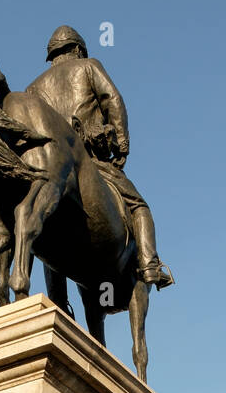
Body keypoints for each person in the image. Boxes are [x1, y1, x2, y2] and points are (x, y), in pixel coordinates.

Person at [27, 25, 174, 290]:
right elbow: (113, 101)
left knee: (43, 224)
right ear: (78, 49)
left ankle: (56, 298)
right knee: (140, 207)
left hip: (48, 167)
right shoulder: (88, 66)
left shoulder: (33, 89)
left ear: (52, 57)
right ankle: (150, 266)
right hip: (90, 158)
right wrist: (122, 146)